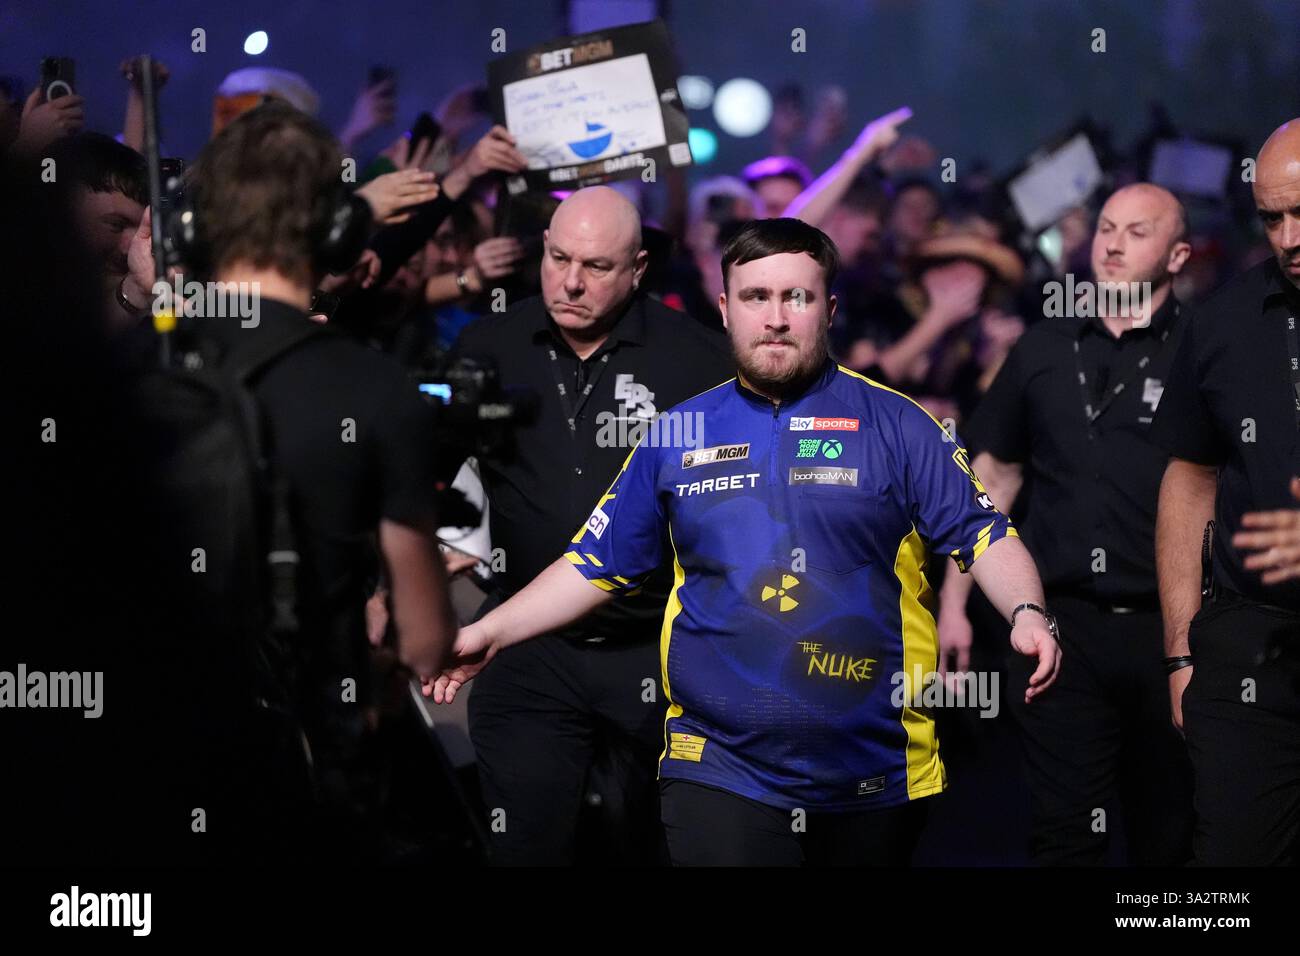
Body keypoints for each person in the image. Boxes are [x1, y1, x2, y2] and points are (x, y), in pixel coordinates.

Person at [429, 217, 1061, 866]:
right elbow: (594, 564)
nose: (776, 318)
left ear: (829, 310)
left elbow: (985, 534)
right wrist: (489, 632)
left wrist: (1027, 612)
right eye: (757, 297)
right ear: (727, 309)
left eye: (797, 297)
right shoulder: (676, 434)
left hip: (875, 767)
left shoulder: (899, 424)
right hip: (717, 765)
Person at [184, 101, 457, 854]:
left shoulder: (126, 366)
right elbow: (426, 640)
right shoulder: (374, 387)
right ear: (337, 231)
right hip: (306, 768)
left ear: (197, 229)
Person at [436, 185, 734, 865]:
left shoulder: (699, 363)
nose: (570, 282)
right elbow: (434, 472)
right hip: (525, 644)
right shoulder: (489, 344)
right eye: (559, 258)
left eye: (596, 266)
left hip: (657, 650)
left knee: (653, 847)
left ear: (637, 268)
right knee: (526, 847)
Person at [946, 183, 1195, 865]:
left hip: (1171, 626)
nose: (1112, 244)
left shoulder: (1203, 349)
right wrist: (954, 605)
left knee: (1169, 835)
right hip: (1058, 628)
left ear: (1178, 255)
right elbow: (993, 479)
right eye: (1106, 228)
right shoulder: (1043, 345)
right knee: (1063, 836)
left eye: (1137, 232)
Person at [1151, 118, 1300, 865]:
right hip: (1249, 651)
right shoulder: (1221, 324)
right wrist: (1181, 654)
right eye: (1272, 218)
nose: (1289, 238)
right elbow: (1189, 479)